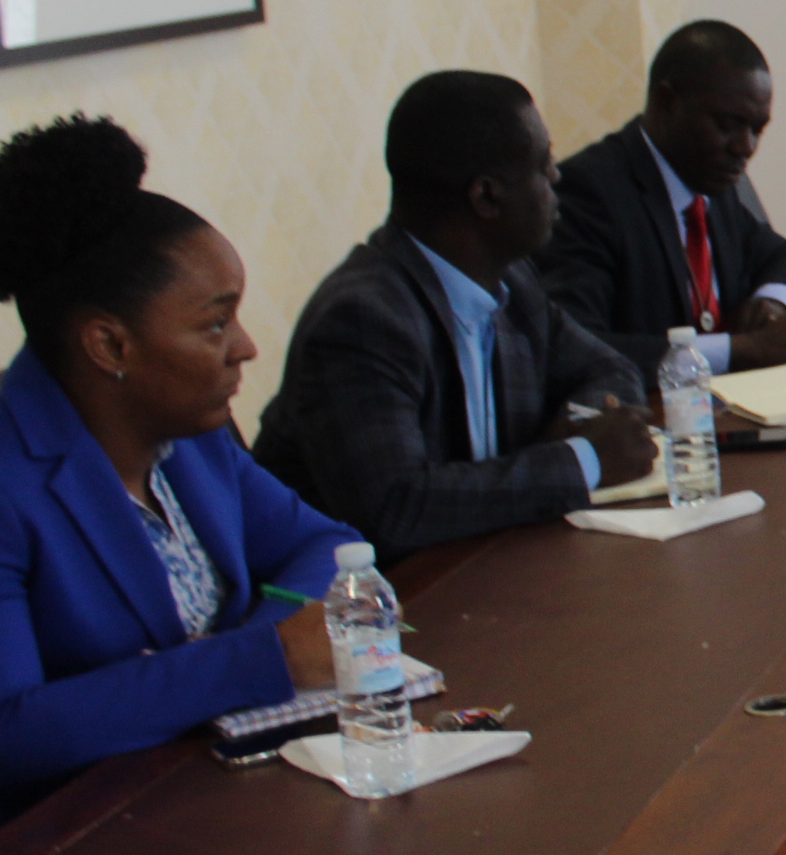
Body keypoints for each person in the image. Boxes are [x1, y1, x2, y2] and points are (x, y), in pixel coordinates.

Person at [0, 116, 353, 855]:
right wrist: (261, 660)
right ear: (110, 346)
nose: (246, 346)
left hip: (181, 818)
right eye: (215, 323)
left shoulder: (191, 440)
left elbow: (324, 546)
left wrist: (269, 650)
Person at [255, 72, 656, 559]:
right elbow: (397, 508)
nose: (557, 180)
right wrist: (584, 457)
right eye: (543, 165)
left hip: (487, 566)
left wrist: (577, 424)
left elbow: (609, 368)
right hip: (381, 606)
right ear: (487, 196)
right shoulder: (363, 320)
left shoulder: (513, 280)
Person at [545, 20, 786, 384]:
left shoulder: (708, 178)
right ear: (668, 102)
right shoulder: (590, 192)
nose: (745, 147)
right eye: (728, 124)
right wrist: (746, 349)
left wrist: (773, 303)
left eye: (757, 130)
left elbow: (779, 257)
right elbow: (577, 348)